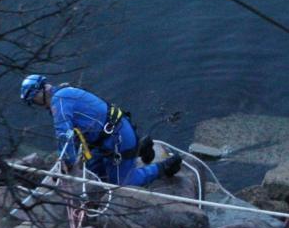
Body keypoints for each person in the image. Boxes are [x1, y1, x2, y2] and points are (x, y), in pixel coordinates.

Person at [20, 74, 180, 186]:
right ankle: (139, 148)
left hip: (117, 137)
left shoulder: (59, 101)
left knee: (120, 183)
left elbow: (64, 134)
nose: (35, 104)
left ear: (40, 92)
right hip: (107, 138)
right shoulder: (64, 95)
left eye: (34, 100)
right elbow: (75, 133)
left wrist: (67, 163)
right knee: (94, 175)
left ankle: (165, 167)